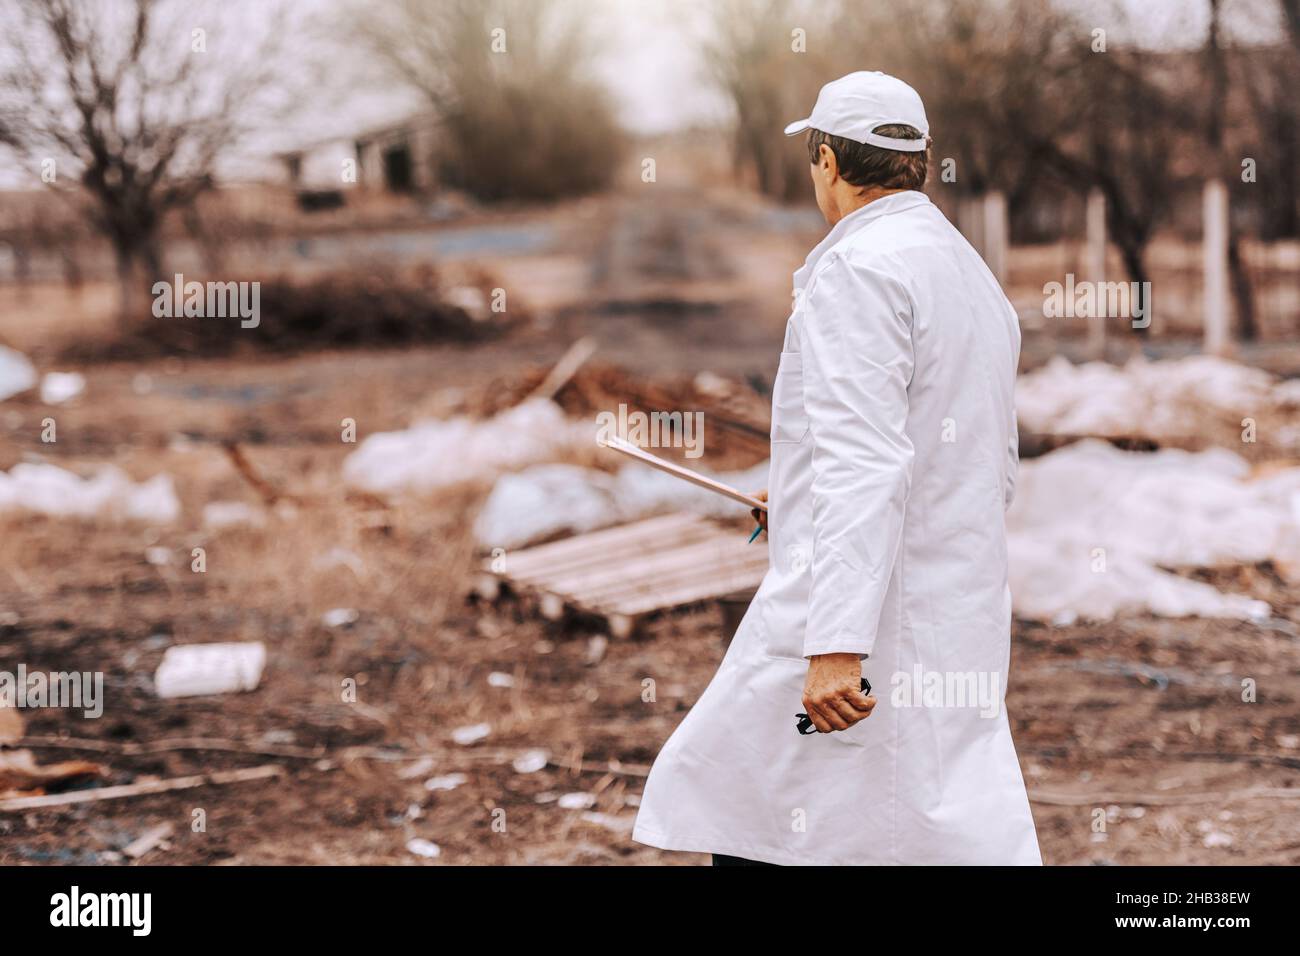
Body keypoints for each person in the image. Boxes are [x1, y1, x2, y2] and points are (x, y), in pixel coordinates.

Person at [632, 71, 1041, 866]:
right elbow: (981, 459)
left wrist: (837, 643)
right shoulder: (965, 271)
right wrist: (795, 497)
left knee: (756, 809)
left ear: (826, 159)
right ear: (918, 160)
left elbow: (867, 459)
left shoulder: (859, 271)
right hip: (951, 607)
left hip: (867, 618)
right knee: (898, 824)